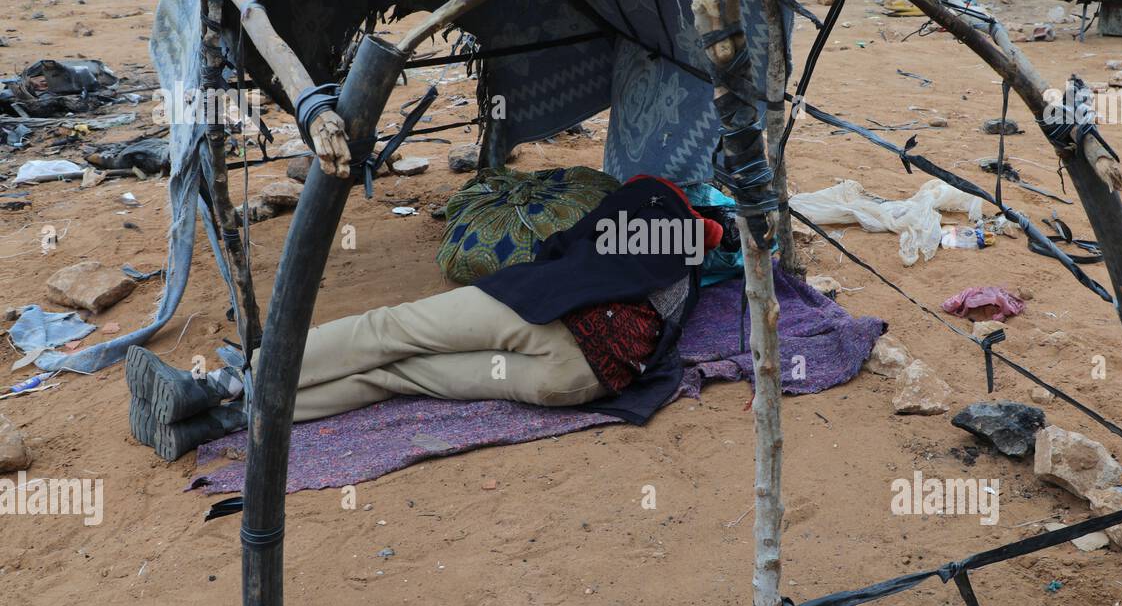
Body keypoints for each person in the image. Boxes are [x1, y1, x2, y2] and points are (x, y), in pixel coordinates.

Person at [126, 176, 724, 453]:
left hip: (547, 319)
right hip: (574, 383)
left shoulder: (646, 204)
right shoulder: (687, 276)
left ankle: (216, 385)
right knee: (395, 375)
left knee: (388, 332)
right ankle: (218, 424)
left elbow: (562, 251)